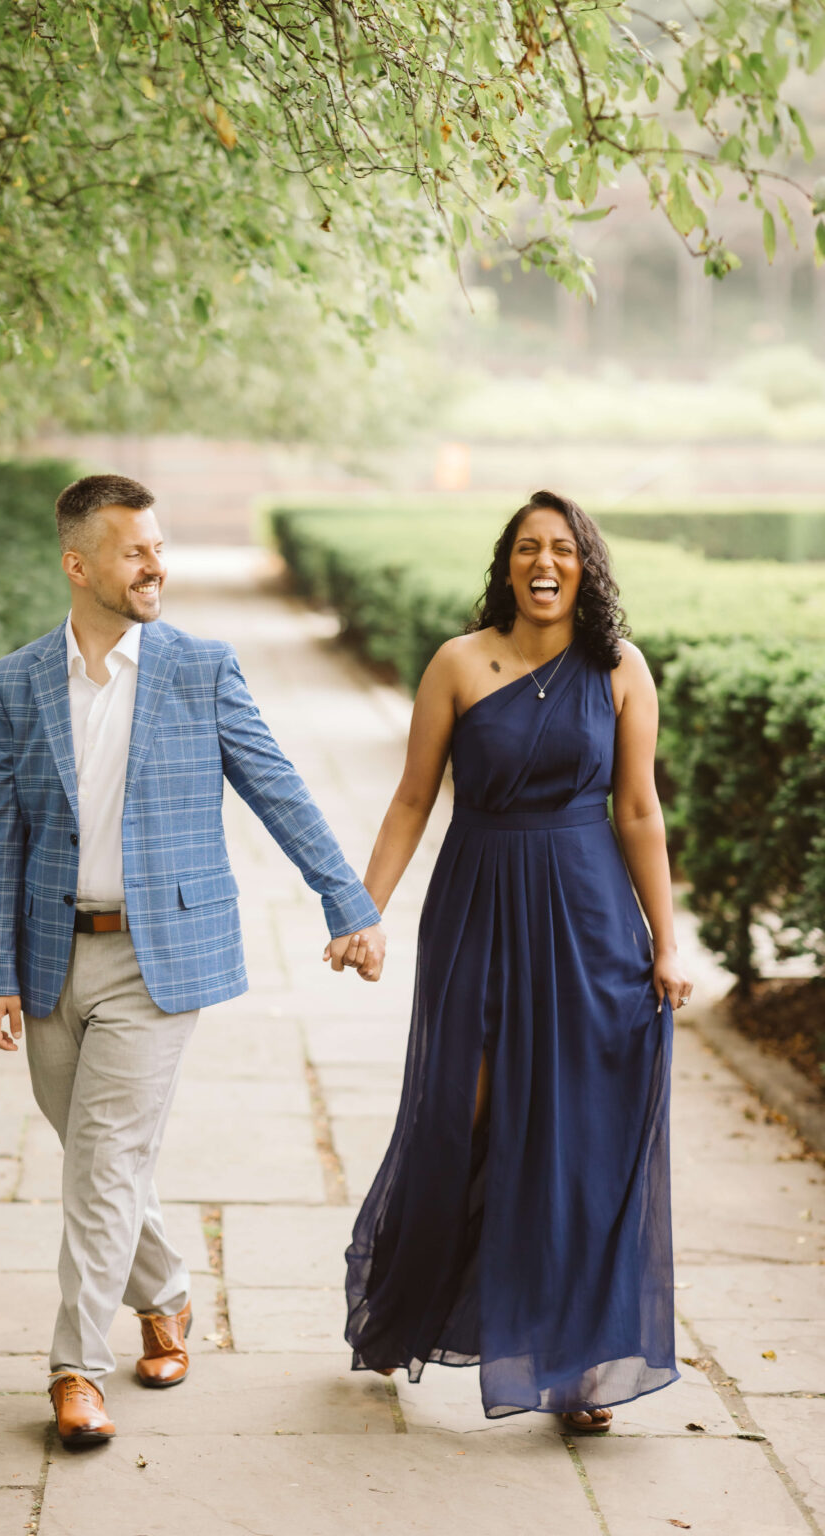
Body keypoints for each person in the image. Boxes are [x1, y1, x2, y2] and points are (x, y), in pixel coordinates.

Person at [0, 474, 385, 1449]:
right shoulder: (17, 681)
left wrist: (347, 900)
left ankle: (76, 1370)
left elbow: (275, 784)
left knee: (104, 1162)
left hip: (158, 960)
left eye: (159, 546)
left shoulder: (201, 669)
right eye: (133, 550)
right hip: (48, 958)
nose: (157, 564)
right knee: (92, 1156)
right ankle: (166, 1292)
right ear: (79, 564)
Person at [344, 489, 693, 1434]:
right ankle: (406, 1309)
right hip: (478, 907)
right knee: (466, 1113)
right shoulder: (458, 663)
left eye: (564, 549)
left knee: (581, 1133)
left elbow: (638, 810)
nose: (546, 564)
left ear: (587, 565)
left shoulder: (620, 668)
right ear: (507, 564)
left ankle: (579, 1363)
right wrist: (361, 908)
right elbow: (414, 798)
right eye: (529, 548)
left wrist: (666, 941)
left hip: (588, 921)